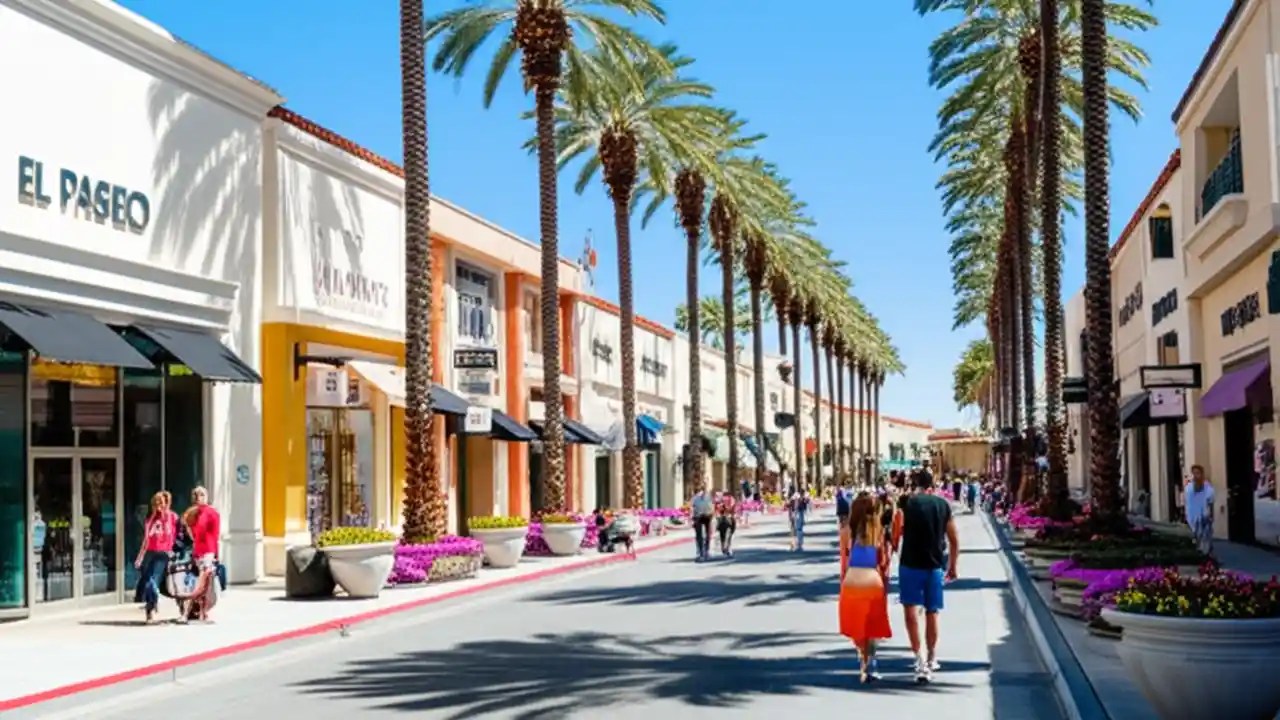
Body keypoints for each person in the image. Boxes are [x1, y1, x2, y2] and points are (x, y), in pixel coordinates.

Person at [899, 470, 958, 683]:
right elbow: (953, 539)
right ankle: (932, 656)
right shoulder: (942, 505)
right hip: (934, 565)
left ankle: (919, 657)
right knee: (932, 611)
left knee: (910, 612)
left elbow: (896, 530)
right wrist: (953, 565)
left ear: (915, 485)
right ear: (932, 485)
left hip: (909, 564)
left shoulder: (907, 503)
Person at [839, 493, 893, 683]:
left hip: (852, 580)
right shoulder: (878, 532)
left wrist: (842, 584)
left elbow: (844, 562)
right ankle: (872, 661)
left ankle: (862, 662)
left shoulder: (846, 532)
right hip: (872, 579)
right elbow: (883, 562)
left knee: (857, 625)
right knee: (872, 625)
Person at [133, 491, 177, 625]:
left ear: (166, 504)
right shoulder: (150, 519)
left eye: (161, 504)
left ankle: (152, 604)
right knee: (148, 581)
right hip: (151, 553)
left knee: (153, 580)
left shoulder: (172, 517)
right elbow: (146, 540)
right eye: (155, 504)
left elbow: (177, 536)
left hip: (164, 553)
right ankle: (150, 607)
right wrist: (140, 557)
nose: (158, 507)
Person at [181, 486, 221, 622]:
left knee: (203, 583)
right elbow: (192, 534)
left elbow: (215, 535)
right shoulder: (192, 513)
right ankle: (199, 612)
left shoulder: (212, 513)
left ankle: (192, 612)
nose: (199, 498)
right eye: (196, 495)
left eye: (202, 495)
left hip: (208, 552)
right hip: (199, 551)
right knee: (203, 584)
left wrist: (216, 554)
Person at [1184, 465, 1215, 557]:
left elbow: (1211, 504)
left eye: (1198, 473)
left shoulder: (1208, 489)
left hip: (1204, 519)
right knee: (1193, 541)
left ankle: (1207, 557)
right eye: (1194, 473)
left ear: (1202, 474)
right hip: (1191, 519)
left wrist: (1211, 517)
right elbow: (1186, 503)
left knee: (1205, 541)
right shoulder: (1188, 488)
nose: (1196, 476)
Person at [690, 488, 714, 561]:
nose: (701, 493)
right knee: (699, 535)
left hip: (707, 516)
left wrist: (711, 514)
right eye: (700, 491)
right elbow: (692, 508)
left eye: (702, 491)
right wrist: (692, 518)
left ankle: (706, 551)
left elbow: (712, 507)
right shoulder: (695, 498)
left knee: (708, 534)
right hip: (698, 517)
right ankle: (701, 552)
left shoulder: (709, 497)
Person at [715, 491, 737, 557]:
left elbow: (716, 507)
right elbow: (732, 508)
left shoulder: (720, 499)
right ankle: (727, 547)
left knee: (722, 533)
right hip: (727, 515)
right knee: (730, 532)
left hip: (723, 516)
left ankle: (723, 547)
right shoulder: (731, 498)